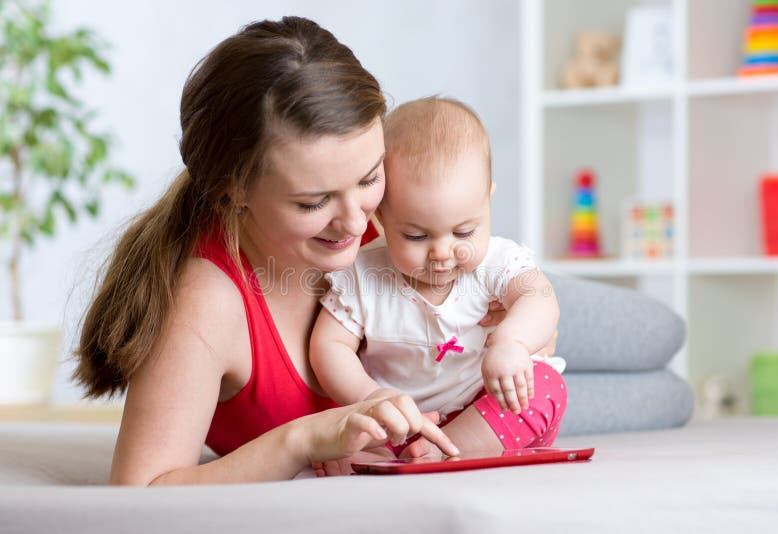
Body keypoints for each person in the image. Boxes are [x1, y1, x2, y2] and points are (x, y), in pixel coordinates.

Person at [72, 17, 481, 485]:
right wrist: (302, 440)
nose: (357, 221)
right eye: (314, 202)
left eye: (370, 177)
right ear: (233, 190)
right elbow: (140, 490)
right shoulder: (206, 303)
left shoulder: (379, 226)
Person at [310, 97, 566, 463]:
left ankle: (444, 451)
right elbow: (329, 347)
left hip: (487, 408)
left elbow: (540, 299)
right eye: (417, 236)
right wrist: (372, 398)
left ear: (487, 201)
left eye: (464, 232)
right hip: (404, 422)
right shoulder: (363, 273)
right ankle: (423, 449)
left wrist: (512, 343)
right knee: (349, 433)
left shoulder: (497, 261)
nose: (442, 253)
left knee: (544, 385)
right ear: (380, 218)